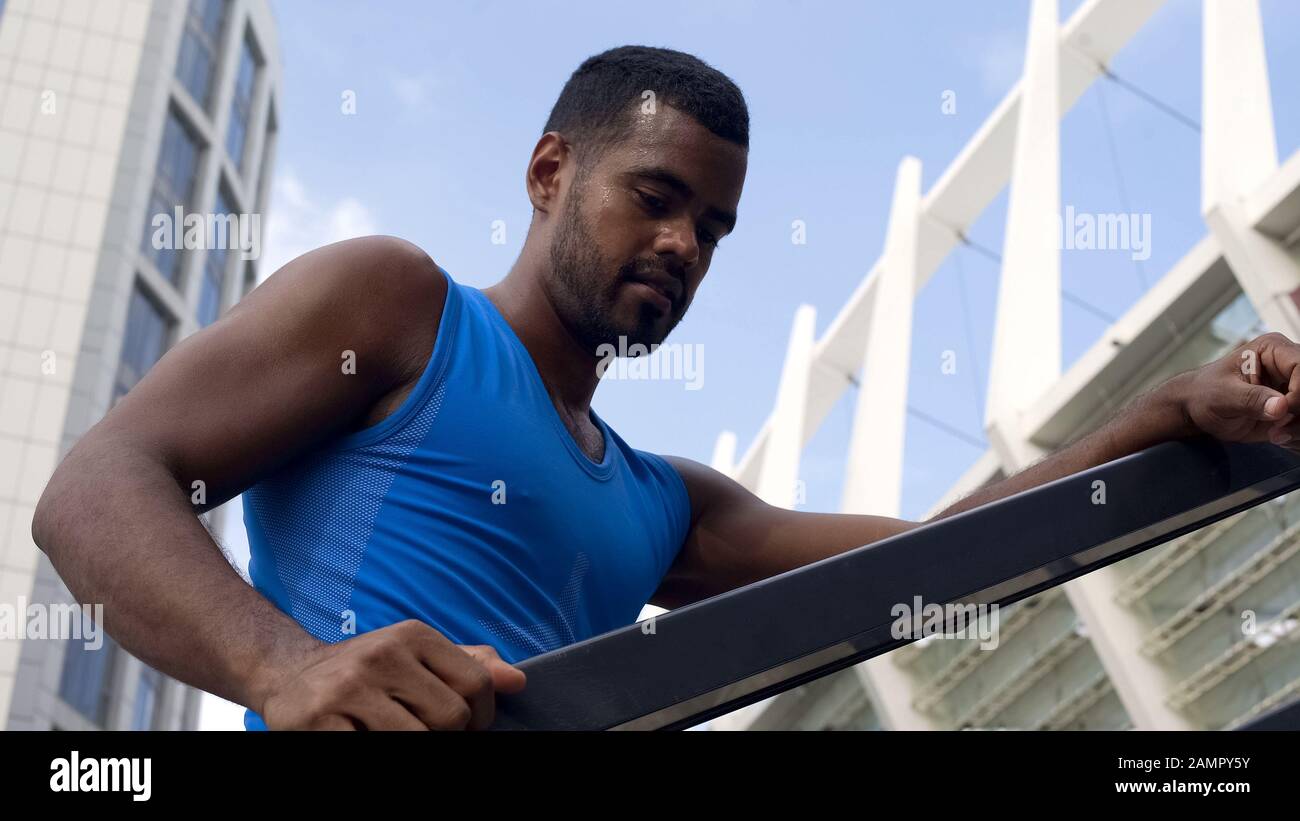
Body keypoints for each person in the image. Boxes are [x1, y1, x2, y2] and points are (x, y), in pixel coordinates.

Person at [31, 45, 1300, 730]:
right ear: (548, 172)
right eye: (655, 196)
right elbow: (95, 487)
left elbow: (938, 563)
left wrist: (1164, 410)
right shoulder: (394, 305)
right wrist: (282, 668)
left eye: (716, 226)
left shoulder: (663, 502)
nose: (687, 243)